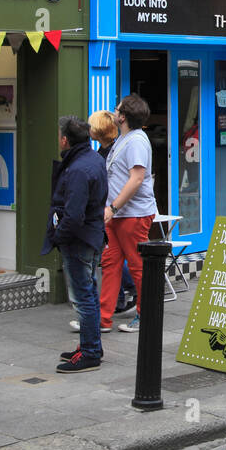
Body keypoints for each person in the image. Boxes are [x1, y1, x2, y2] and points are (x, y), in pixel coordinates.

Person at [44, 116, 108, 373]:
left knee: (83, 297)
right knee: (89, 292)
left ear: (64, 139)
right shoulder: (94, 160)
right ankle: (91, 345)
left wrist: (58, 237)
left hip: (79, 240)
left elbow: (73, 214)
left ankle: (91, 352)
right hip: (91, 235)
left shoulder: (80, 168)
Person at [100, 94, 158, 335]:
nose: (114, 112)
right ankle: (102, 319)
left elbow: (136, 178)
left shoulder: (136, 141)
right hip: (117, 216)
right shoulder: (124, 138)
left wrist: (113, 208)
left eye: (117, 109)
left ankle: (146, 316)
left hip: (132, 215)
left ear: (123, 117)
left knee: (137, 266)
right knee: (110, 264)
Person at [90, 110, 137, 316]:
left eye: (91, 126)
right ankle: (118, 299)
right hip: (110, 211)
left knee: (112, 257)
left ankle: (130, 290)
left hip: (112, 211)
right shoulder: (108, 151)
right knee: (112, 257)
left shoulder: (110, 153)